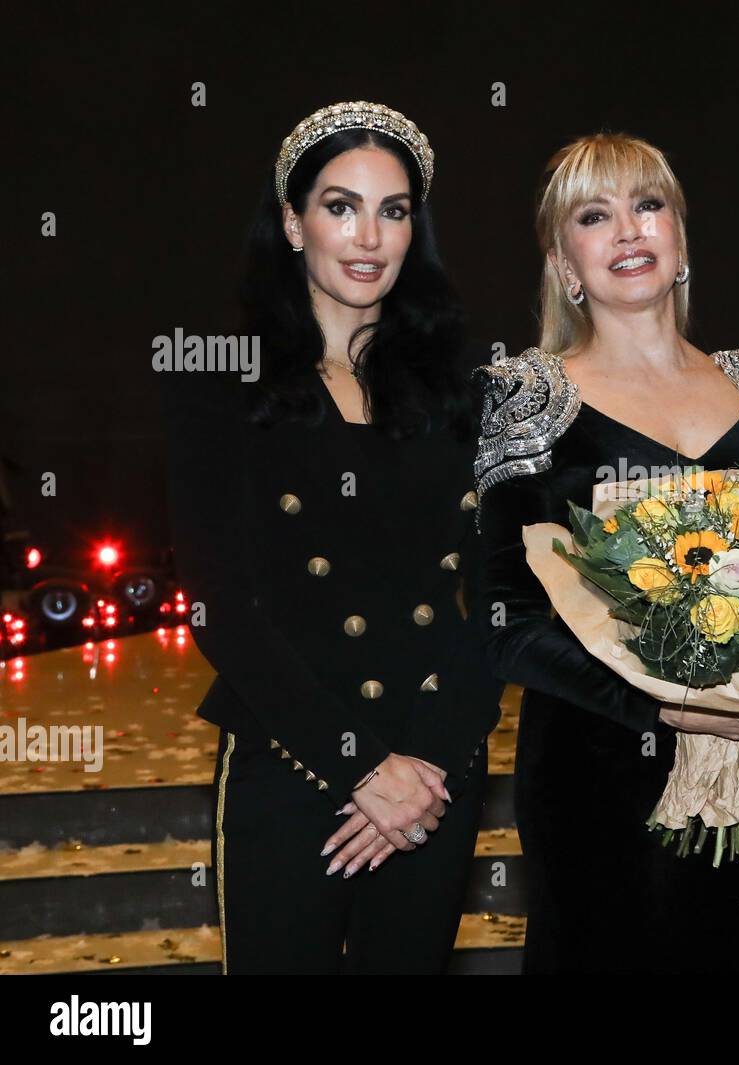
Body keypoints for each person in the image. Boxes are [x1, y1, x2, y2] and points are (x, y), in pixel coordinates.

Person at [161, 101, 501, 974]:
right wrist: (362, 769)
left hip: (434, 771)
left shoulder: (464, 392)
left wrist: (426, 763)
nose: (369, 236)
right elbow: (218, 605)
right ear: (291, 222)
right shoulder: (220, 383)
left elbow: (501, 596)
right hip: (292, 758)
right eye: (340, 206)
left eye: (393, 211)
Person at [472, 133, 739, 973]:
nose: (628, 230)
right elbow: (505, 623)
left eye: (648, 206)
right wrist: (664, 707)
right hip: (589, 775)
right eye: (594, 215)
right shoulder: (528, 398)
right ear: (564, 264)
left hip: (737, 773)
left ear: (680, 240)